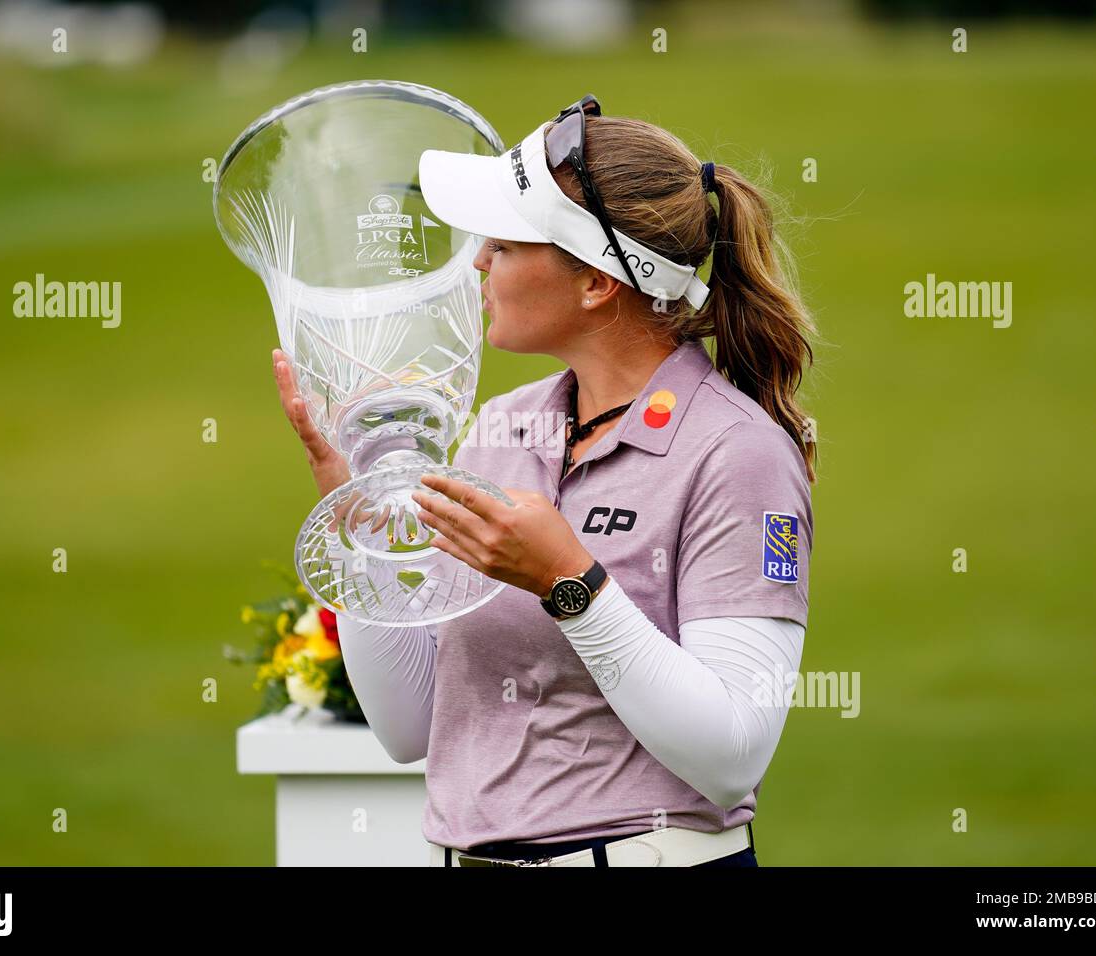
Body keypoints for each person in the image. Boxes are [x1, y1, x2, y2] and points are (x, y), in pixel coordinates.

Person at [270, 94, 817, 867]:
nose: (478, 261)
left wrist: (569, 582)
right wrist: (358, 508)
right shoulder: (501, 426)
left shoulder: (736, 451)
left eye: (505, 242)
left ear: (597, 283)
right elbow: (408, 726)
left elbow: (732, 756)